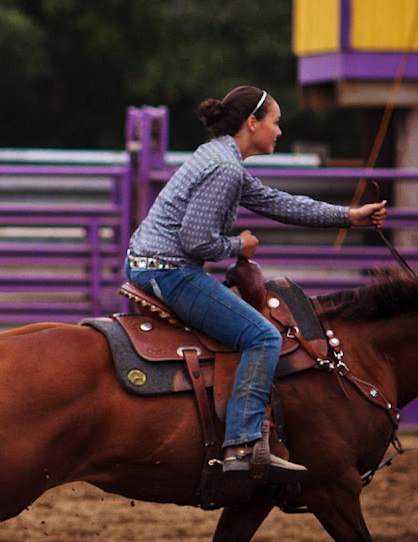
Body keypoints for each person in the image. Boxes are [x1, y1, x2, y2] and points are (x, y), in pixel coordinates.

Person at [124, 86, 387, 480]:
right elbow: (195, 241)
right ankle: (242, 445)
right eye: (275, 122)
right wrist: (239, 244)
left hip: (157, 263)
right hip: (168, 270)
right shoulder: (226, 169)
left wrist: (350, 217)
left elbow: (280, 203)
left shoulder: (222, 158)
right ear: (253, 123)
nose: (279, 132)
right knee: (262, 337)